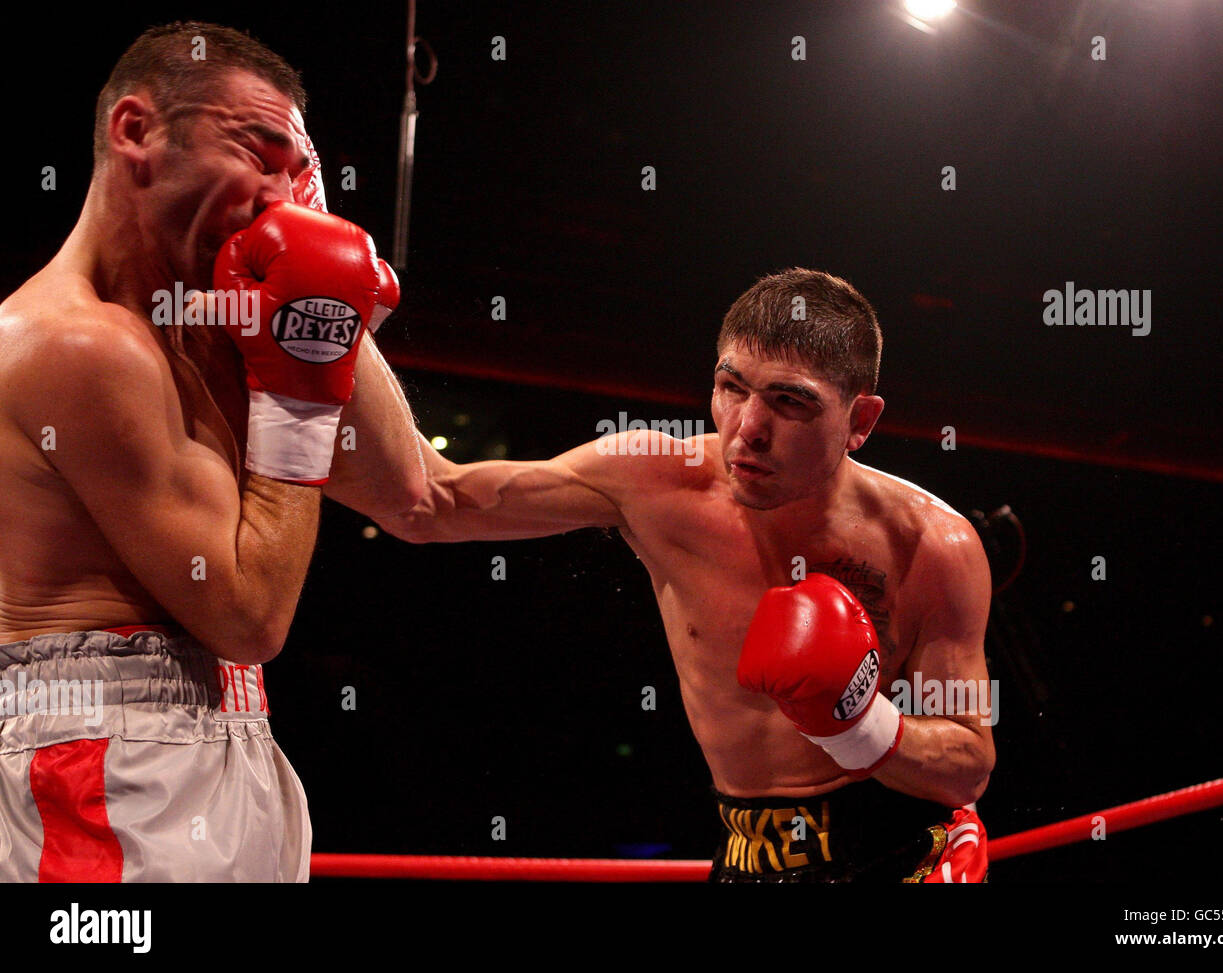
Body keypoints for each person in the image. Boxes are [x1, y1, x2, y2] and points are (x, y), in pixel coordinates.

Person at [380, 268, 995, 882]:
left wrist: (861, 721)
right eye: (732, 387)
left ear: (861, 420)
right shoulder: (653, 480)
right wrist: (335, 335)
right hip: (743, 852)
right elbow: (429, 502)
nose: (748, 429)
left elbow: (969, 763)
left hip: (900, 849)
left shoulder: (934, 547)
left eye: (790, 401)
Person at [0, 22, 424, 881]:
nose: (282, 191)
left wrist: (325, 297)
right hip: (105, 770)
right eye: (260, 154)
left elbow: (406, 486)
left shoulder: (204, 322)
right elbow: (247, 616)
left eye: (298, 172)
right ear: (136, 132)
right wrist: (303, 384)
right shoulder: (77, 344)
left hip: (225, 749)